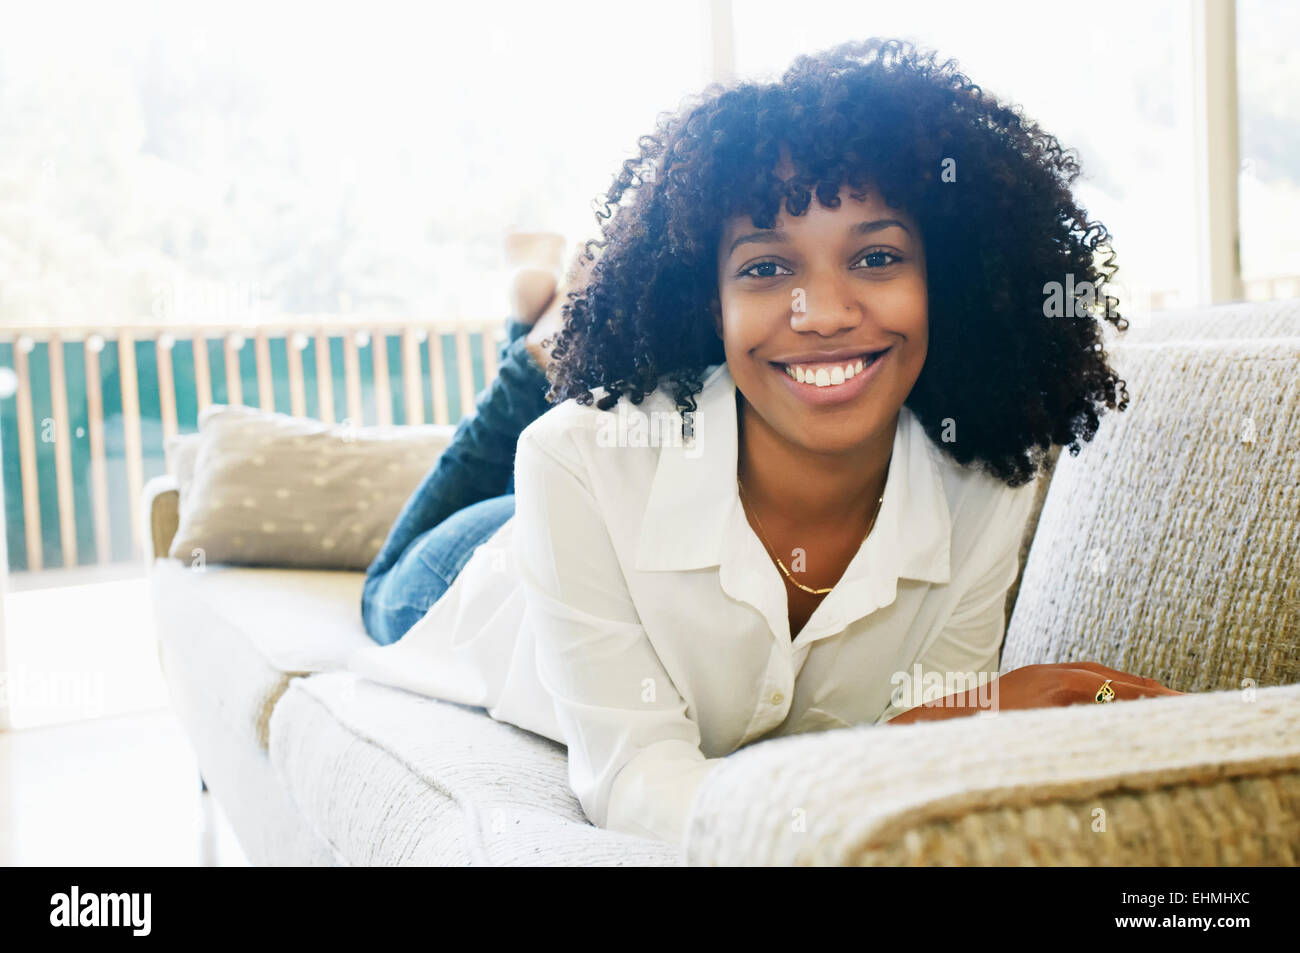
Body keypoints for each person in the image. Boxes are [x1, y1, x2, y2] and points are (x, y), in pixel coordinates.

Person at [355, 37, 1183, 850]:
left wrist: (979, 714)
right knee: (385, 581)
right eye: (763, 268)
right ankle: (533, 339)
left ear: (950, 282)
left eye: (877, 255)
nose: (821, 312)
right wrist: (954, 725)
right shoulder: (571, 462)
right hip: (476, 575)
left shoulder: (988, 478)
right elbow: (638, 782)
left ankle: (537, 331)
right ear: (706, 303)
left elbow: (909, 740)